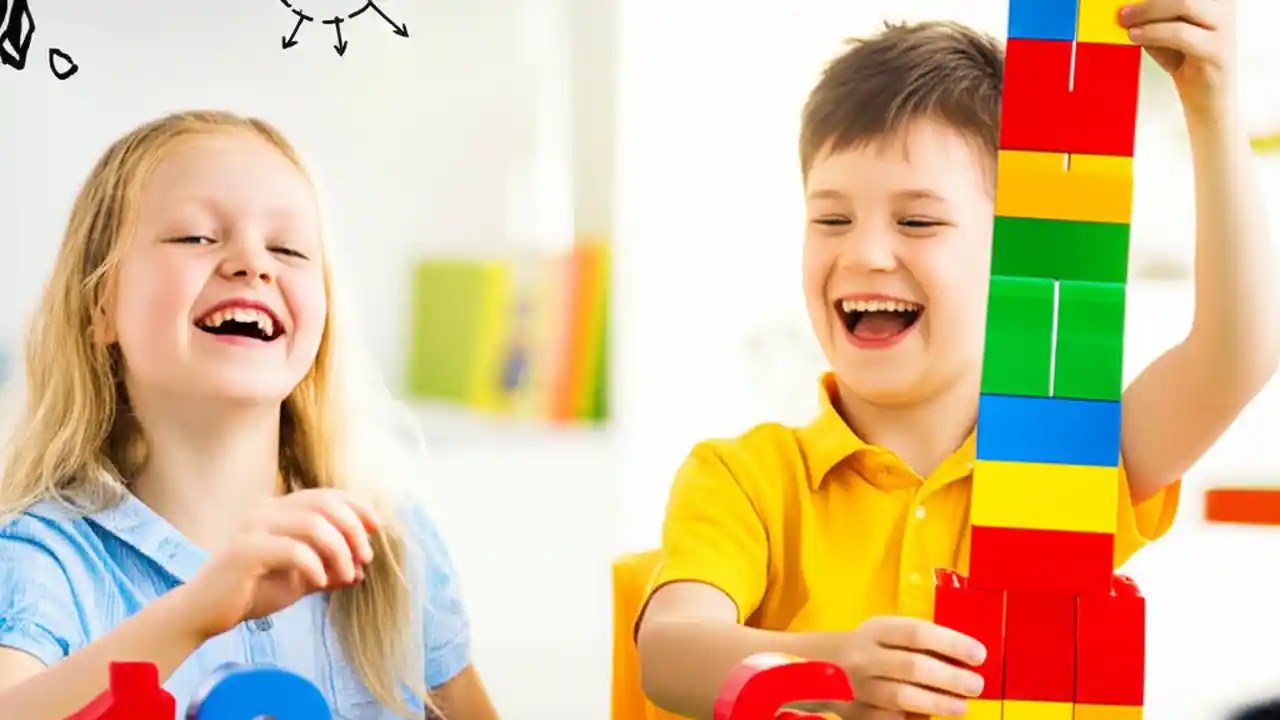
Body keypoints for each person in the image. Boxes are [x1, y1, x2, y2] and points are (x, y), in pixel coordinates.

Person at [636, 1, 1275, 718]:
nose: (866, 252)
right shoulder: (747, 480)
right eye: (831, 219)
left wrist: (1212, 105)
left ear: (1014, 261)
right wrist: (831, 664)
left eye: (918, 221)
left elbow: (1240, 350)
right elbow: (669, 649)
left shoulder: (1069, 463)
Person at [0, 110, 501, 719]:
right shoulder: (44, 557)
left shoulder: (392, 547)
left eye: (289, 248)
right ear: (99, 306)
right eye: (195, 236)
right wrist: (191, 615)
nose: (252, 263)